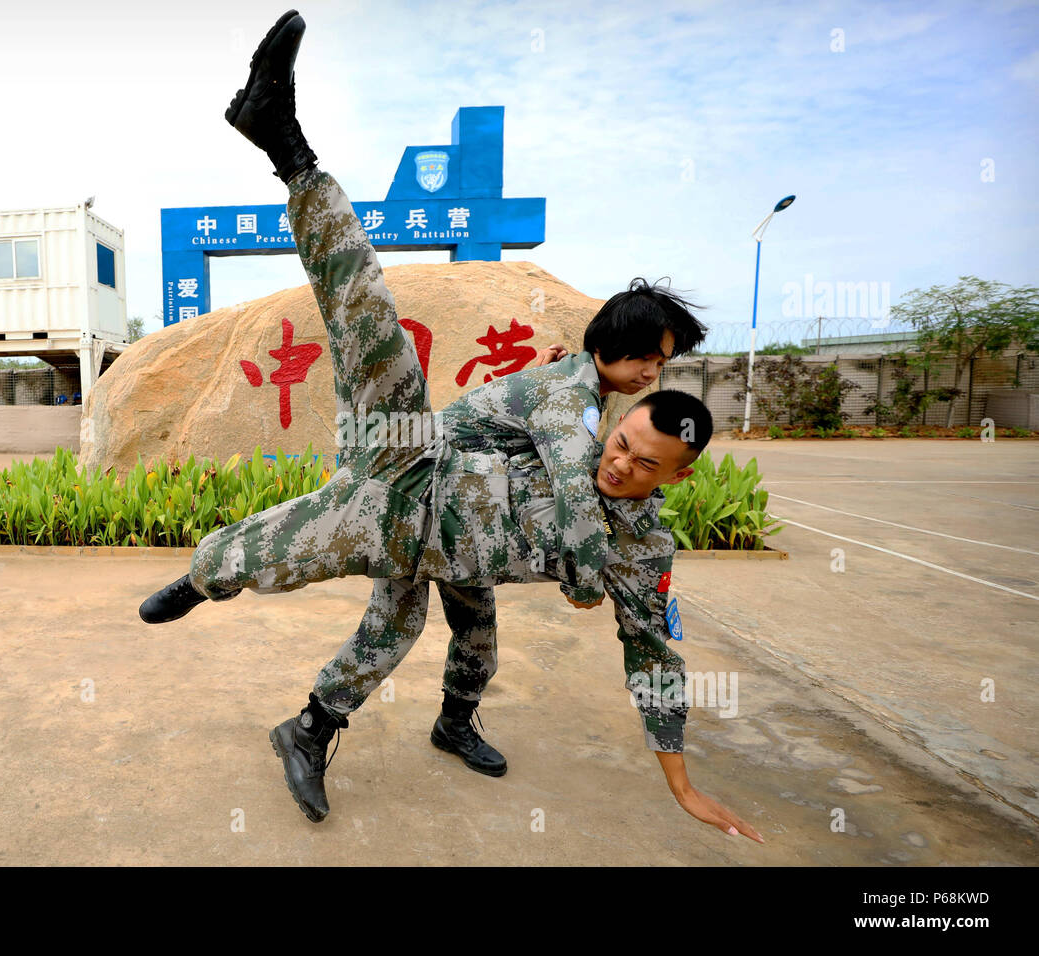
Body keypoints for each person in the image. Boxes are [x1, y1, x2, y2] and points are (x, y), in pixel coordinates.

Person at [140, 9, 763, 843]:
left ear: (677, 475)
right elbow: (581, 504)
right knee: (369, 325)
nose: (651, 380)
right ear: (613, 349)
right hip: (410, 463)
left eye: (665, 366)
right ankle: (286, 146)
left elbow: (653, 649)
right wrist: (585, 575)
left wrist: (681, 780)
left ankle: (408, 725)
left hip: (460, 527)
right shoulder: (568, 401)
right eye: (649, 358)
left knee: (447, 632)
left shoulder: (627, 475)